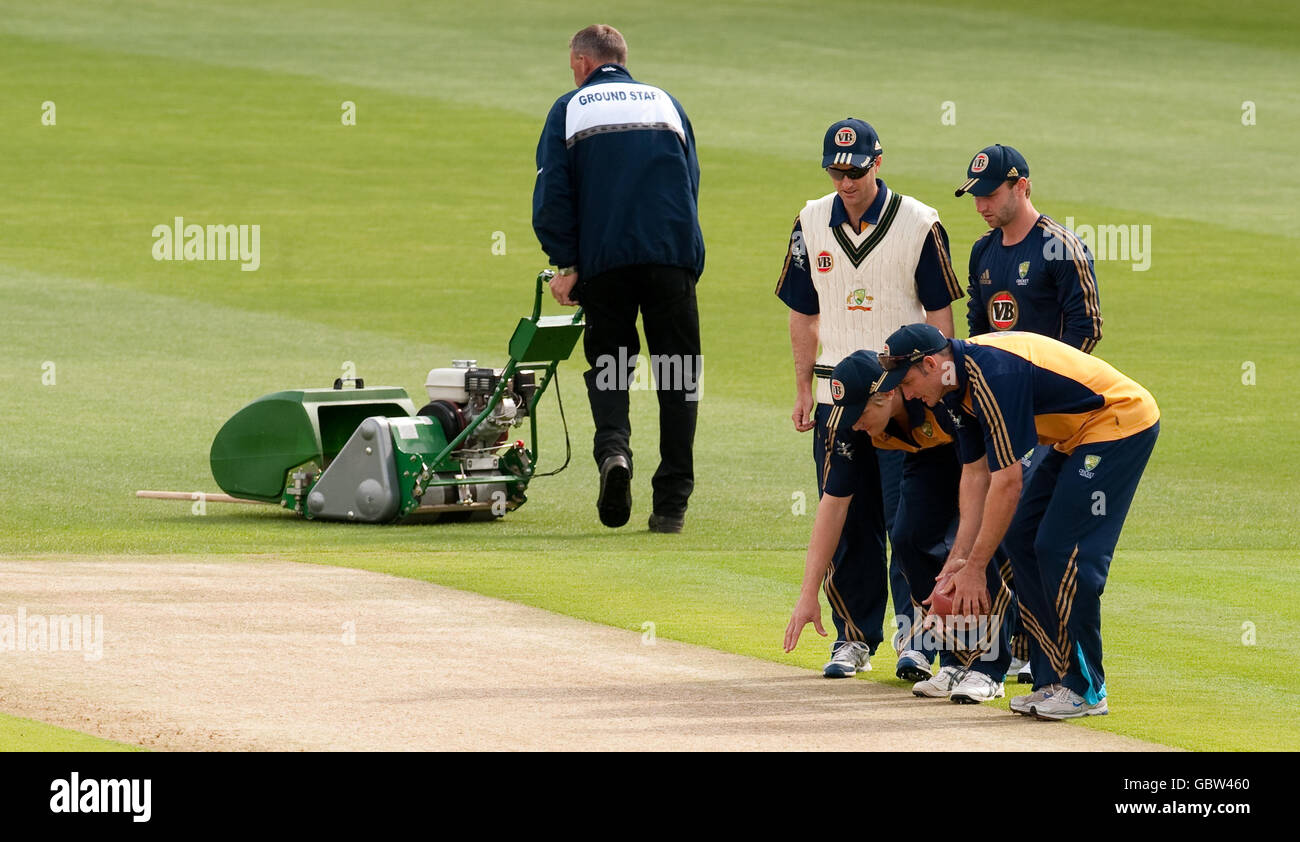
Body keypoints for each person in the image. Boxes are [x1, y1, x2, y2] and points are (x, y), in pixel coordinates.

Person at [877, 323, 1160, 719]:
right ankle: (1052, 682)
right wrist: (959, 560)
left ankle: (1088, 688)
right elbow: (975, 474)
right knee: (1020, 540)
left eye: (907, 383)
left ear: (929, 364)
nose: (907, 396)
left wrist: (977, 568)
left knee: (1061, 551)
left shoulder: (993, 375)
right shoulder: (955, 389)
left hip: (1119, 419)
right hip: (1074, 435)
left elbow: (1008, 483)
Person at [775, 118, 963, 679]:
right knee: (850, 521)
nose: (846, 182)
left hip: (904, 397)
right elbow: (803, 311)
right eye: (836, 172)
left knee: (912, 522)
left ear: (877, 163)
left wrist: (940, 390)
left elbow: (940, 317)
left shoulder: (919, 222)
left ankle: (918, 636)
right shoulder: (811, 220)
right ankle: (853, 636)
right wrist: (802, 386)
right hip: (837, 396)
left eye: (855, 171)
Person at [532, 24, 705, 533]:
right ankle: (671, 503)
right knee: (677, 374)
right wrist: (685, 256)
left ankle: (614, 452)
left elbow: (553, 193)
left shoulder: (570, 108)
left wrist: (566, 265)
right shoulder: (666, 103)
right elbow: (690, 181)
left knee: (611, 365)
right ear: (621, 59)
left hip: (605, 262)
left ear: (584, 63)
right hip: (671, 257)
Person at [783, 351, 1012, 703]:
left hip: (983, 461)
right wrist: (807, 593)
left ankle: (989, 667)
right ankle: (955, 660)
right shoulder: (854, 424)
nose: (855, 425)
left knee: (978, 553)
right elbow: (833, 504)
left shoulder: (939, 400)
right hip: (929, 455)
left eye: (860, 415)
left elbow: (983, 475)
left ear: (888, 394)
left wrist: (965, 552)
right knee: (909, 539)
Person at [955, 144, 1104, 684]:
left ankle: (1026, 656)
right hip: (1002, 414)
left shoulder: (1061, 248)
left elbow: (1086, 330)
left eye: (990, 194)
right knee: (1001, 530)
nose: (981, 206)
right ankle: (1009, 651)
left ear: (1022, 186)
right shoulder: (982, 251)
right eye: (975, 197)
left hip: (1050, 423)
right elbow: (977, 333)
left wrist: (1043, 401)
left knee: (1022, 530)